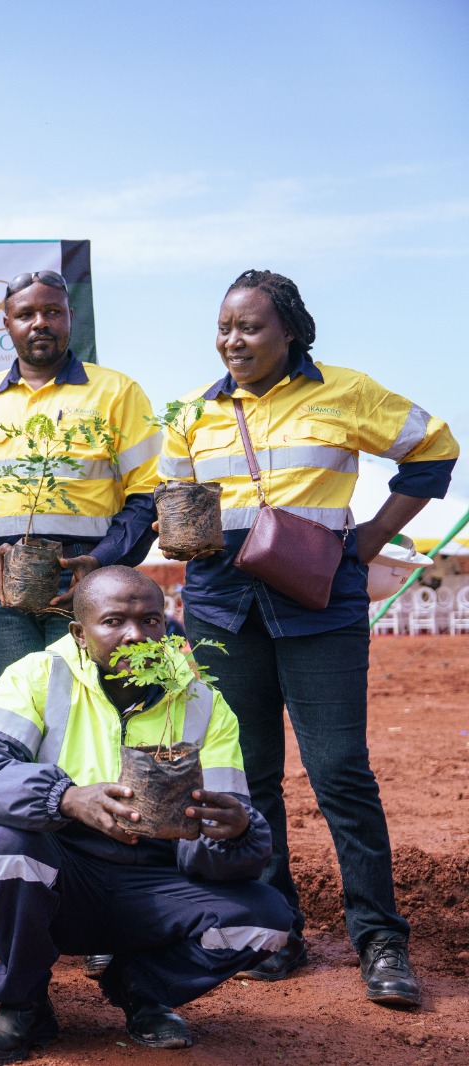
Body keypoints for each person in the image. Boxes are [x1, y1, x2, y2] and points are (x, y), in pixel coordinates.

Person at [158, 269, 457, 1007]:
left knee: (341, 773)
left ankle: (380, 939)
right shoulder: (193, 413)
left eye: (250, 326)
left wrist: (372, 537)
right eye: (225, 327)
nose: (234, 340)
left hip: (320, 605)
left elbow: (435, 448)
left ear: (289, 329)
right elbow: (171, 506)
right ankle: (277, 929)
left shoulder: (344, 391)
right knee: (252, 777)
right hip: (223, 608)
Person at [0, 566, 293, 1063]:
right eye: (114, 621)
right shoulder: (38, 675)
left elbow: (216, 856)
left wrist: (234, 832)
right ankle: (23, 1007)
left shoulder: (200, 702)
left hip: (156, 881)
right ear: (79, 633)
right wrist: (64, 798)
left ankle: (141, 989)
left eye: (150, 620)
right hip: (63, 877)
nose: (136, 635)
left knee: (267, 920)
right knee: (6, 846)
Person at [0, 270, 159, 680]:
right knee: (19, 702)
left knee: (85, 701)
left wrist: (100, 562)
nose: (40, 322)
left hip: (88, 579)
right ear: (7, 323)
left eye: (52, 311)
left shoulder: (117, 392)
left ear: (71, 317)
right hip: (5, 583)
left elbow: (148, 495)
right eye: (26, 314)